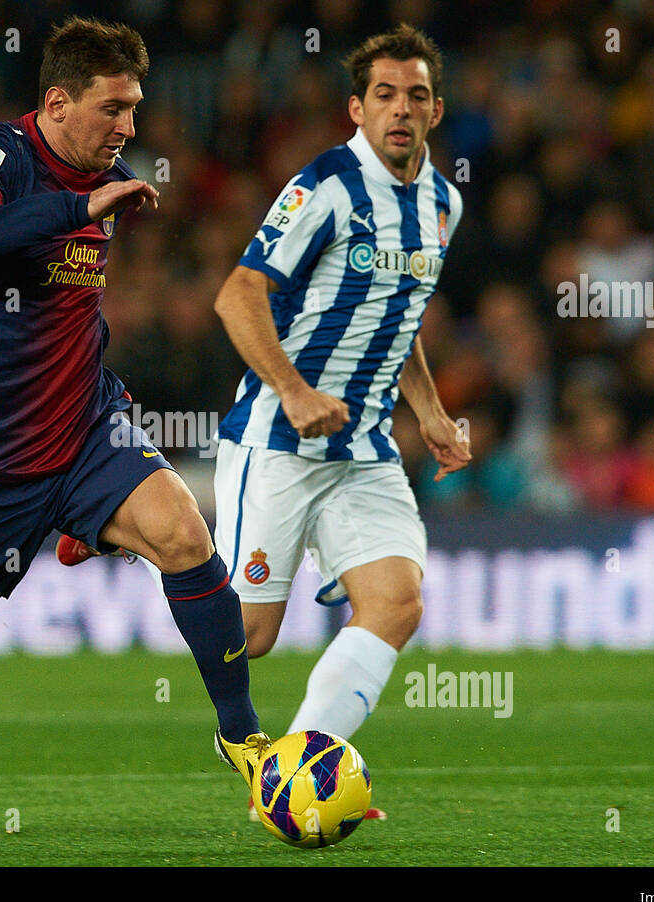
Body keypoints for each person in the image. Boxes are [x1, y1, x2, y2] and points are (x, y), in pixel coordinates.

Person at [0, 16, 268, 841]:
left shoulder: (111, 180)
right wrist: (76, 205)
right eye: (114, 108)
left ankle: (242, 737)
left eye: (135, 108)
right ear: (58, 101)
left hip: (89, 427)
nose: (129, 127)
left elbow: (69, 313)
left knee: (181, 532)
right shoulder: (3, 154)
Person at [212, 24, 470, 814]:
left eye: (416, 96)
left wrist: (427, 408)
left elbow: (401, 315)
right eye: (384, 96)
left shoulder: (443, 204)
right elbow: (238, 294)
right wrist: (292, 389)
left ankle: (295, 778)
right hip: (278, 440)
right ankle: (133, 532)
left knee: (397, 602)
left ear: (434, 110)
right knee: (248, 638)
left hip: (363, 450)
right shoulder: (326, 185)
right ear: (357, 108)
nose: (401, 110)